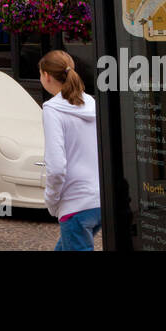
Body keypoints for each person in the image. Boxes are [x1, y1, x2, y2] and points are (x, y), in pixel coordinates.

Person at [38, 50, 100, 251]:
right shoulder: (90, 103)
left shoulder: (52, 110)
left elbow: (56, 167)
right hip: (98, 201)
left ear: (46, 76)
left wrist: (51, 201)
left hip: (75, 205)